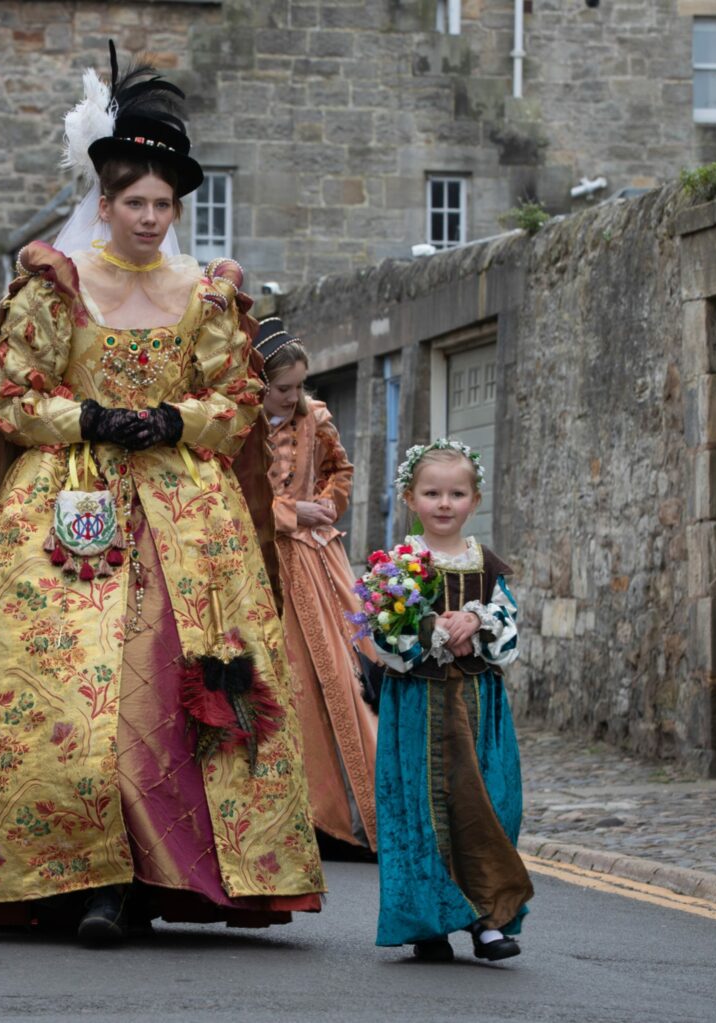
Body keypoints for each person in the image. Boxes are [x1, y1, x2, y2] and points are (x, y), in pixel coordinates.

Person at [0, 47, 325, 946]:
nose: (151, 219)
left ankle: (149, 872)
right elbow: (12, 394)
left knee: (169, 688)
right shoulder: (57, 283)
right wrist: (85, 414)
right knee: (59, 687)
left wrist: (174, 420)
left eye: (164, 205)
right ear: (106, 200)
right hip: (68, 502)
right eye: (137, 203)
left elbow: (236, 401)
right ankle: (63, 870)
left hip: (184, 514)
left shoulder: (206, 293)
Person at [369, 440, 531, 962]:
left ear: (474, 501)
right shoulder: (398, 565)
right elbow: (384, 636)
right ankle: (430, 924)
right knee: (422, 810)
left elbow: (508, 631)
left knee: (491, 805)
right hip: (418, 708)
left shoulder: (488, 566)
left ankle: (488, 921)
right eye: (432, 493)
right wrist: (433, 628)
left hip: (479, 706)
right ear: (410, 498)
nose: (444, 504)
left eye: (456, 494)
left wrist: (477, 619)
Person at [259, 321, 379, 851]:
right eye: (282, 388)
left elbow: (340, 470)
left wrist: (328, 503)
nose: (292, 397)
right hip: (263, 562)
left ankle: (352, 816)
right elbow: (230, 497)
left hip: (318, 562)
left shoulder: (316, 418)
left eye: (299, 386)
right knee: (284, 682)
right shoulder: (236, 427)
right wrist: (289, 513)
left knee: (343, 675)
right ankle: (297, 816)